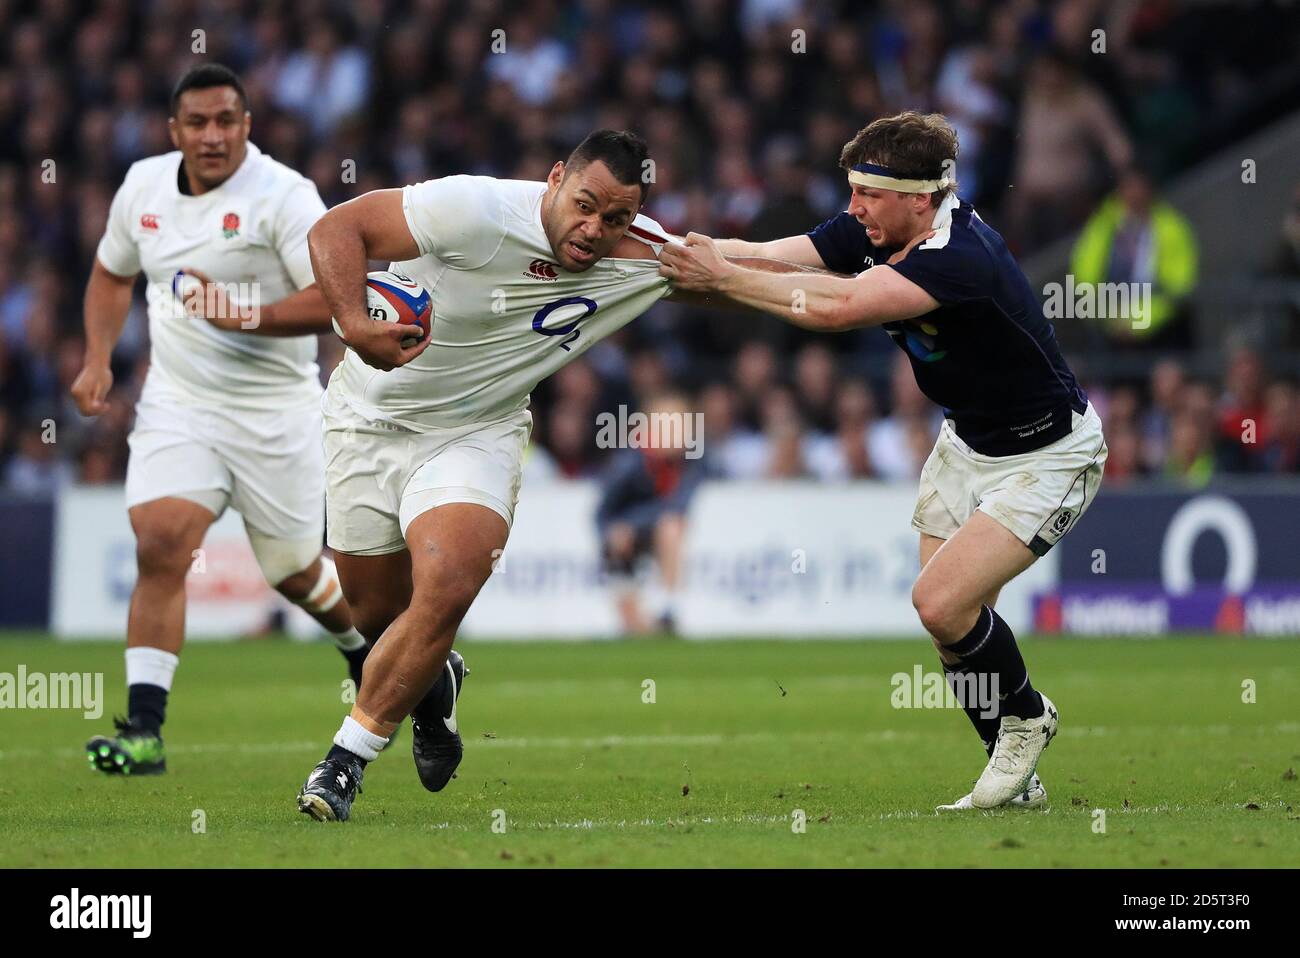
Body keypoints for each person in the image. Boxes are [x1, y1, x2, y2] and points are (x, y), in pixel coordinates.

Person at [659, 111, 1108, 811]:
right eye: (853, 191)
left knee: (939, 602)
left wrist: (720, 277)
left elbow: (836, 307)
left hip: (1047, 454)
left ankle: (1025, 717)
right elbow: (771, 254)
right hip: (967, 442)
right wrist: (666, 255)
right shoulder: (873, 229)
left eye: (868, 193)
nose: (854, 208)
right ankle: (1019, 780)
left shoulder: (962, 256)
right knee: (951, 625)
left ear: (920, 198)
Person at [295, 130, 733, 821]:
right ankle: (435, 684)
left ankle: (342, 763)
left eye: (615, 218)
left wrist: (868, 276)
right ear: (555, 179)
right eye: (585, 205)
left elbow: (740, 269)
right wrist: (352, 322)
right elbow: (336, 228)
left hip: (478, 431)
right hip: (365, 421)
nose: (595, 230)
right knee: (378, 617)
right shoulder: (474, 208)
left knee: (445, 586)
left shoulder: (642, 255)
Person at [70, 65, 368, 776]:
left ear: (247, 126)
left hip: (277, 410)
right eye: (197, 123)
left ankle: (364, 651)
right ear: (174, 132)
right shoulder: (141, 187)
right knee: (161, 541)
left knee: (294, 571)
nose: (212, 135)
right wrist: (97, 359)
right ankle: (144, 732)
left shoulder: (284, 197)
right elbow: (113, 273)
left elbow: (336, 296)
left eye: (226, 121)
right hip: (181, 402)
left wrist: (246, 315)